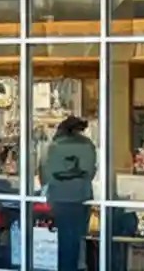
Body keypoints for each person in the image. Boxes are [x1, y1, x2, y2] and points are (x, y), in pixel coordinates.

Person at [40, 116, 98, 271]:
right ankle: (78, 266)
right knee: (78, 238)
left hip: (58, 198)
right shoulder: (88, 145)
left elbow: (44, 176)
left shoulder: (52, 147)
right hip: (81, 197)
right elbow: (91, 172)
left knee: (63, 241)